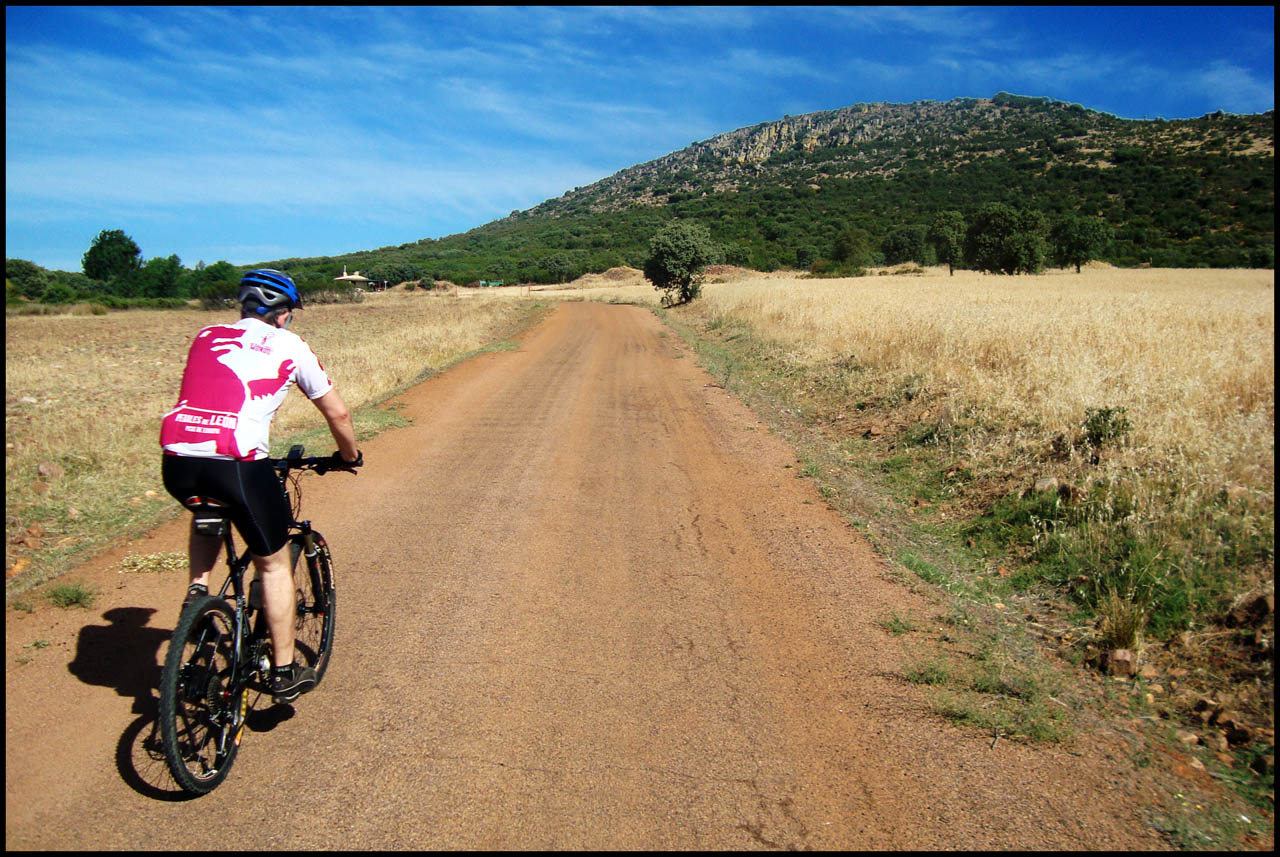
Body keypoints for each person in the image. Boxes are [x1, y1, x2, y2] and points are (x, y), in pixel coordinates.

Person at [160, 268, 362, 703]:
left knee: (207, 508)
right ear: (284, 313)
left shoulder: (207, 335)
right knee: (271, 564)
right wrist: (349, 456)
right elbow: (338, 414)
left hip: (177, 460)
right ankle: (284, 670)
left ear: (244, 305)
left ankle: (197, 594)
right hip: (236, 463)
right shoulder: (290, 345)